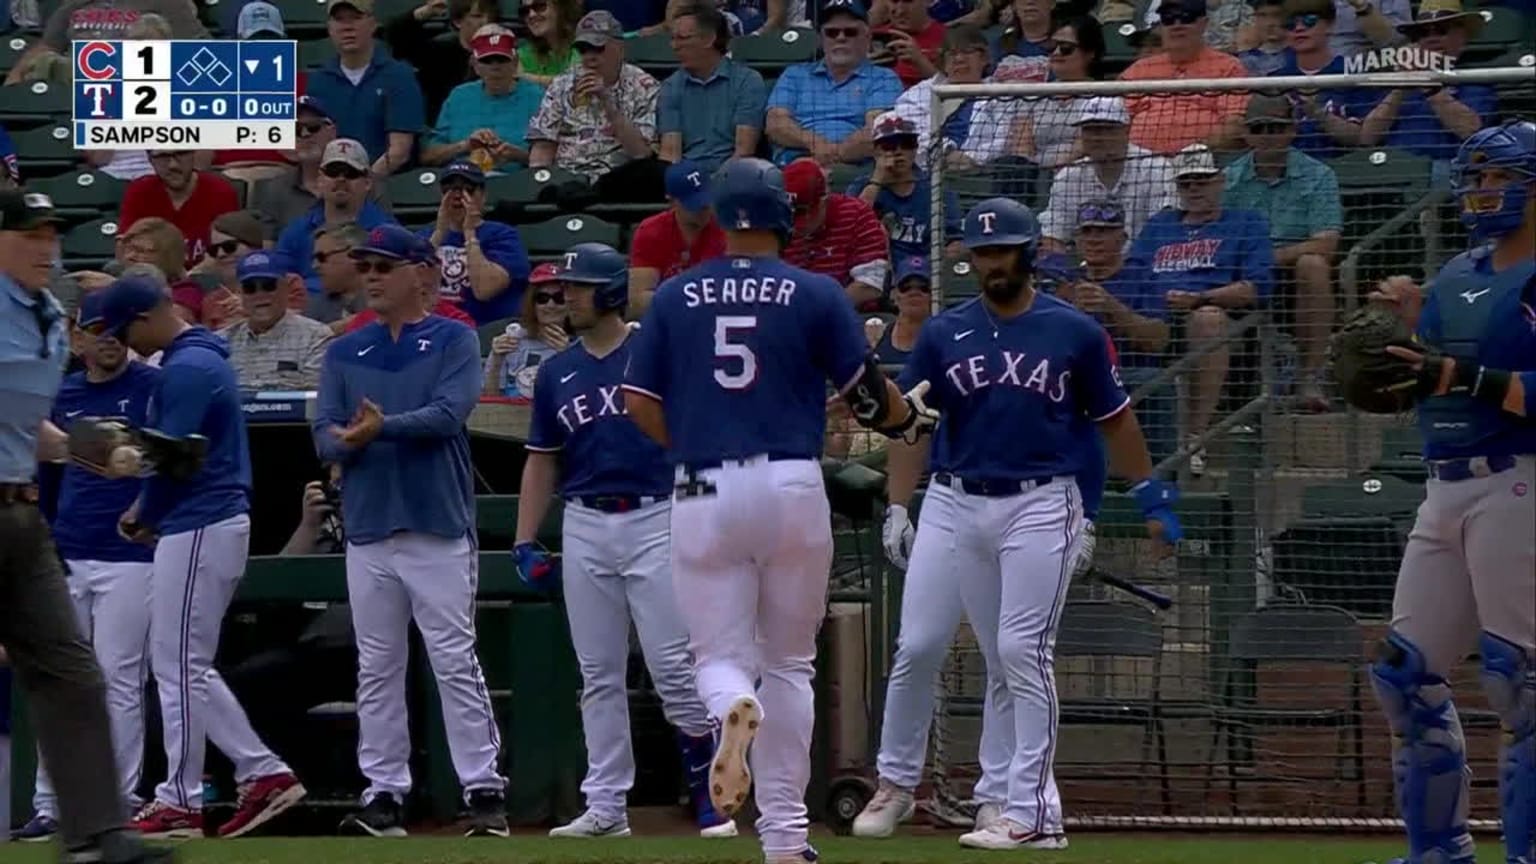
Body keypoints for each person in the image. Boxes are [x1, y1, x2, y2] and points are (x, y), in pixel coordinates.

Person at [621, 157, 937, 864]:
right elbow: (866, 398)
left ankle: (737, 706)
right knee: (792, 663)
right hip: (792, 482)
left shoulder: (674, 296)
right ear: (781, 217)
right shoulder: (816, 292)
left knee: (717, 658)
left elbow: (636, 401)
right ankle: (787, 840)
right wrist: (906, 422)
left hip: (703, 486)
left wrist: (693, 442)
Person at [873, 197, 1180, 851]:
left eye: (1002, 250)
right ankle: (949, 793)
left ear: (1030, 252)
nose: (991, 263)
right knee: (931, 646)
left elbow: (1115, 422)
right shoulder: (944, 332)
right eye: (981, 252)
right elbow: (911, 422)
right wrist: (901, 503)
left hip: (1041, 499)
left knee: (1017, 652)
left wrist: (1148, 495)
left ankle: (1030, 808)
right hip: (956, 498)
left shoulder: (1072, 330)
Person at [514, 243, 736, 840]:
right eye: (565, 287)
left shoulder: (652, 353)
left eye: (580, 287)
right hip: (585, 519)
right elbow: (541, 459)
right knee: (598, 672)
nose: (565, 297)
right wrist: (525, 538)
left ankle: (710, 791)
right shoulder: (558, 370)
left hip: (656, 513)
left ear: (610, 292)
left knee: (669, 663)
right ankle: (606, 805)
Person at [1361, 120, 1535, 864]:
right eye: (1477, 177)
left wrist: (1455, 375)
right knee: (1405, 674)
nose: (1482, 190)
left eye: (1498, 176)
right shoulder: (1454, 271)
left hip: (1519, 480)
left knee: (1519, 683)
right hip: (1445, 483)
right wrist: (1402, 343)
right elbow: (1429, 381)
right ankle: (1439, 851)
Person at [311, 224, 507, 839]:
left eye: (383, 267)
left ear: (420, 274)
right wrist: (345, 439)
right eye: (365, 267)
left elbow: (451, 415)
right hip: (369, 526)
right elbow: (322, 427)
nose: (371, 277)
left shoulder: (455, 339)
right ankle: (385, 791)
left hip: (436, 524)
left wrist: (377, 429)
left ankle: (483, 790)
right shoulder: (345, 350)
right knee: (377, 664)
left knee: (453, 659)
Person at [93, 275, 306, 840]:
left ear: (144, 317)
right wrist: (149, 510)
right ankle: (262, 772)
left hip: (201, 519)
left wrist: (146, 513)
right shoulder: (195, 357)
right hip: (205, 520)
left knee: (179, 663)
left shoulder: (188, 367)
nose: (124, 343)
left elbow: (174, 460)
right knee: (183, 664)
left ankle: (182, 800)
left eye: (123, 330)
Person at [0, 189, 170, 864]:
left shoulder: (41, 311)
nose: (47, 246)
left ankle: (98, 835)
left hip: (20, 512)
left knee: (71, 670)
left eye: (52, 232)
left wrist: (89, 451)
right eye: (29, 232)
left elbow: (20, 420)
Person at [764, 0, 903, 167]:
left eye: (850, 32)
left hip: (856, 165)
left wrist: (835, 153)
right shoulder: (794, 75)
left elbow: (875, 130)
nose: (841, 38)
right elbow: (775, 124)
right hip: (797, 159)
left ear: (867, 37)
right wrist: (813, 142)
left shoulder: (883, 78)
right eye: (832, 33)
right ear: (822, 39)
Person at [657, 2, 768, 172]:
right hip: (686, 178)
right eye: (673, 38)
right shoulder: (671, 86)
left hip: (733, 174)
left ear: (710, 39)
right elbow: (671, 154)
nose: (674, 46)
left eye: (683, 38)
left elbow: (743, 152)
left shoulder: (747, 81)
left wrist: (716, 184)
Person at [422, 160, 532, 325]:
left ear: (483, 195)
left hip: (487, 331)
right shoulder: (425, 237)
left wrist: (470, 234)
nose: (458, 197)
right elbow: (408, 288)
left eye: (468, 190)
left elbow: (484, 290)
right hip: (435, 330)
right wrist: (439, 233)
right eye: (449, 190)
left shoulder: (503, 235)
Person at [423, 25, 545, 169]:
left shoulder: (538, 97)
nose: (495, 67)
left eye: (501, 59)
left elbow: (556, 159)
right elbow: (428, 156)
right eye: (487, 60)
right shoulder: (459, 96)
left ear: (515, 62)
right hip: (462, 181)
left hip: (518, 182)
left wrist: (516, 155)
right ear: (475, 65)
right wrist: (465, 145)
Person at [219, 251, 335, 391]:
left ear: (286, 288)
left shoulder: (316, 337)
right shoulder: (220, 342)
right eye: (250, 288)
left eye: (269, 286)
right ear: (239, 293)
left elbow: (314, 400)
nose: (260, 295)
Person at [628, 161, 728, 314]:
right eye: (694, 204)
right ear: (672, 202)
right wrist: (692, 300)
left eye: (707, 200)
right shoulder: (650, 231)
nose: (704, 209)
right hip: (669, 322)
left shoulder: (727, 228)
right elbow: (639, 301)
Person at [483, 262, 570, 398]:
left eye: (559, 298)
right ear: (532, 303)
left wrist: (570, 357)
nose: (550, 305)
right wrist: (496, 360)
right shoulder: (511, 340)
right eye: (542, 298)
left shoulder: (583, 345)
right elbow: (491, 399)